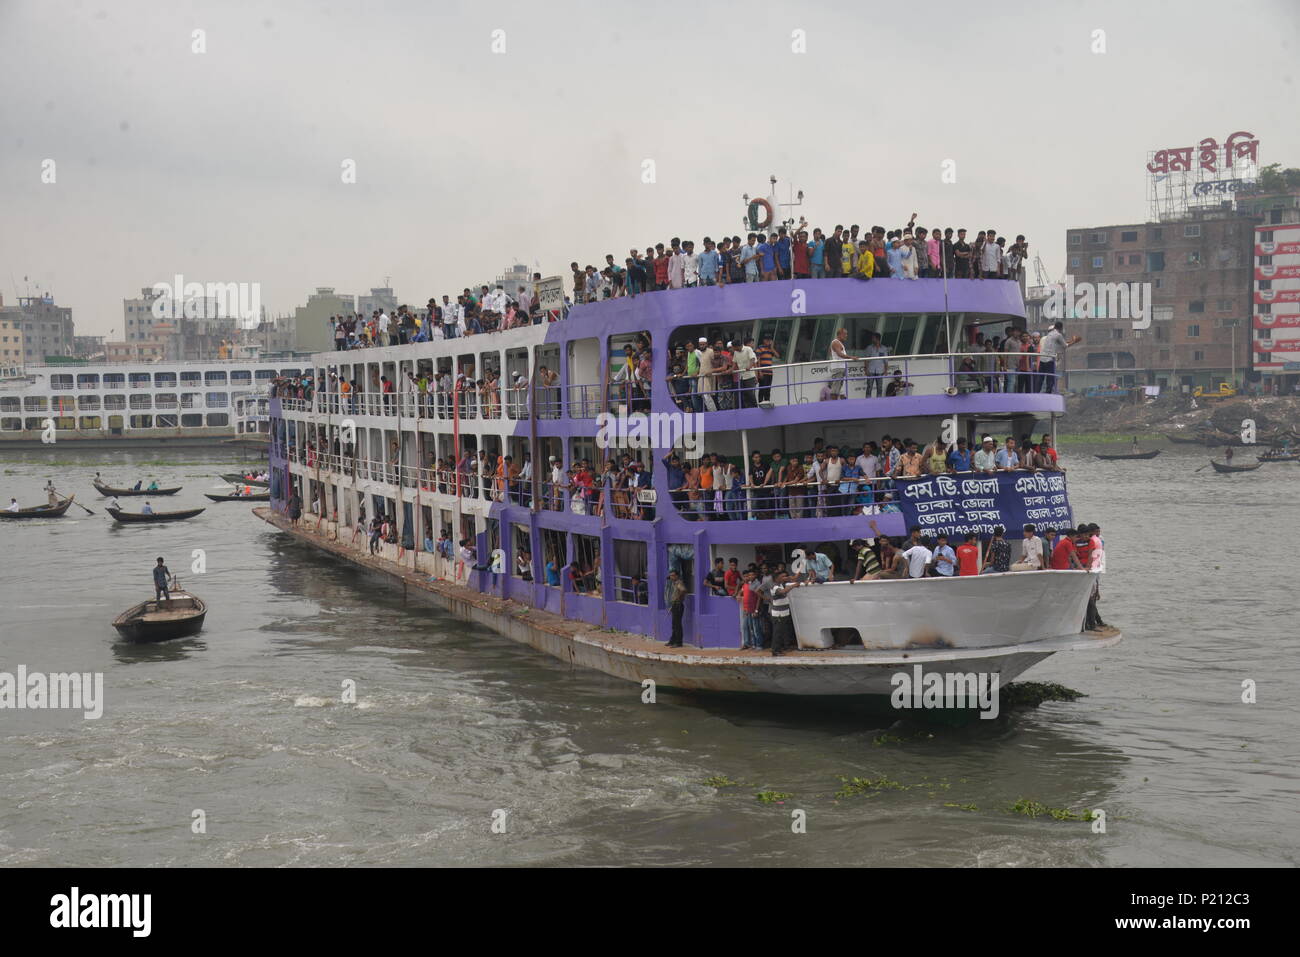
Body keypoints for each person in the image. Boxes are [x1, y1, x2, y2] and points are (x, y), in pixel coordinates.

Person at [769, 572, 804, 657]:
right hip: (778, 614)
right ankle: (775, 651)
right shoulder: (774, 587)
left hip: (783, 613)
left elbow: (790, 579)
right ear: (777, 578)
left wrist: (793, 578)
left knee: (781, 632)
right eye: (782, 577)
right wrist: (793, 585)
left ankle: (779, 649)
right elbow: (782, 592)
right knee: (777, 633)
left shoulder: (780, 584)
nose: (784, 578)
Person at [666, 570, 687, 648]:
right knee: (674, 624)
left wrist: (678, 598)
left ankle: (678, 642)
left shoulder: (679, 583)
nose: (671, 577)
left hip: (678, 605)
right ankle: (672, 641)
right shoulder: (674, 583)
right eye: (670, 575)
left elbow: (683, 590)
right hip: (675, 605)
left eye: (673, 575)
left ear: (677, 576)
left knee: (677, 625)